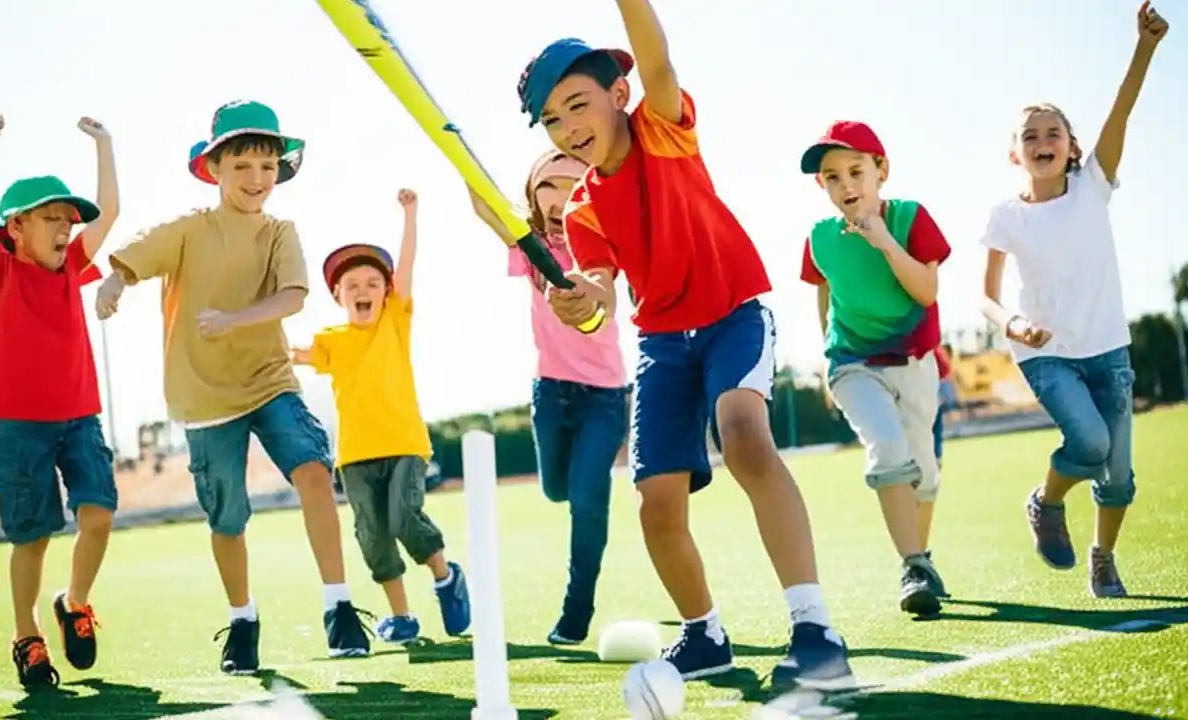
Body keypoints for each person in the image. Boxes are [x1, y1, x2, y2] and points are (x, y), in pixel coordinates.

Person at [498, 0, 854, 687]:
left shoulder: (662, 129)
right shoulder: (582, 208)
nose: (569, 129)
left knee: (747, 439)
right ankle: (704, 634)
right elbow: (600, 292)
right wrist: (578, 303)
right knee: (655, 504)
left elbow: (657, 57)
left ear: (619, 95)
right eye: (551, 121)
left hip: (732, 317)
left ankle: (814, 627)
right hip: (662, 342)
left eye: (578, 106)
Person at [94, 100, 370, 674]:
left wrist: (233, 320)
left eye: (268, 166)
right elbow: (133, 258)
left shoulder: (279, 232)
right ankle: (243, 622)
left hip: (270, 382)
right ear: (214, 167)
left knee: (315, 472)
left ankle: (339, 607)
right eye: (242, 165)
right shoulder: (190, 230)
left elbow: (294, 296)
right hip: (203, 398)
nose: (256, 179)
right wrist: (115, 284)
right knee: (228, 520)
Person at [978, 2, 1168, 598]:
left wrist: (1145, 47)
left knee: (1118, 478)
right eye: (1029, 136)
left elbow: (1123, 110)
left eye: (1052, 132)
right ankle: (1046, 500)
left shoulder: (1093, 187)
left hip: (1108, 349)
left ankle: (1103, 558)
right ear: (1015, 154)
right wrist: (1014, 322)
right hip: (1048, 354)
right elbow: (985, 298)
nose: (1041, 141)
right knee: (1089, 444)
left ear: (1072, 146)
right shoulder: (1005, 216)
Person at [0, 113, 120, 687]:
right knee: (31, 537)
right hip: (20, 426)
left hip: (79, 417)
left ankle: (74, 605)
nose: (66, 228)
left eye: (69, 220)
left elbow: (111, 211)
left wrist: (105, 145)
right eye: (53, 218)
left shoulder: (73, 269)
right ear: (18, 225)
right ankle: (26, 636)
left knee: (99, 517)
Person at [293, 189, 472, 646]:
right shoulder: (330, 339)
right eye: (351, 287)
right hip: (354, 456)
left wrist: (411, 214)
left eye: (373, 283)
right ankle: (403, 617)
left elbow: (407, 266)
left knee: (404, 518)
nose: (363, 291)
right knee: (373, 536)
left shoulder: (395, 320)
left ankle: (445, 575)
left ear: (387, 292)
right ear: (337, 296)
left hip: (405, 443)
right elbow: (290, 354)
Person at [469, 149, 629, 646]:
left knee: (586, 499)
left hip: (604, 395)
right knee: (556, 490)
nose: (560, 199)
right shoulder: (531, 247)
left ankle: (576, 610)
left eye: (571, 185)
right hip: (550, 391)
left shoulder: (603, 246)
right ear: (533, 196)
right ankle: (582, 530)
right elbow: (483, 205)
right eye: (549, 188)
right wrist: (455, 148)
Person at [798, 121, 952, 617]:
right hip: (853, 364)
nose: (845, 186)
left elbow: (925, 292)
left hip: (915, 362)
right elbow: (824, 287)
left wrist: (883, 240)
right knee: (886, 445)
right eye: (831, 177)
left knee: (924, 473)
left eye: (855, 172)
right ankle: (912, 564)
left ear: (881, 171)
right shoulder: (819, 238)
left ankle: (921, 561)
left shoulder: (911, 219)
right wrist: (826, 349)